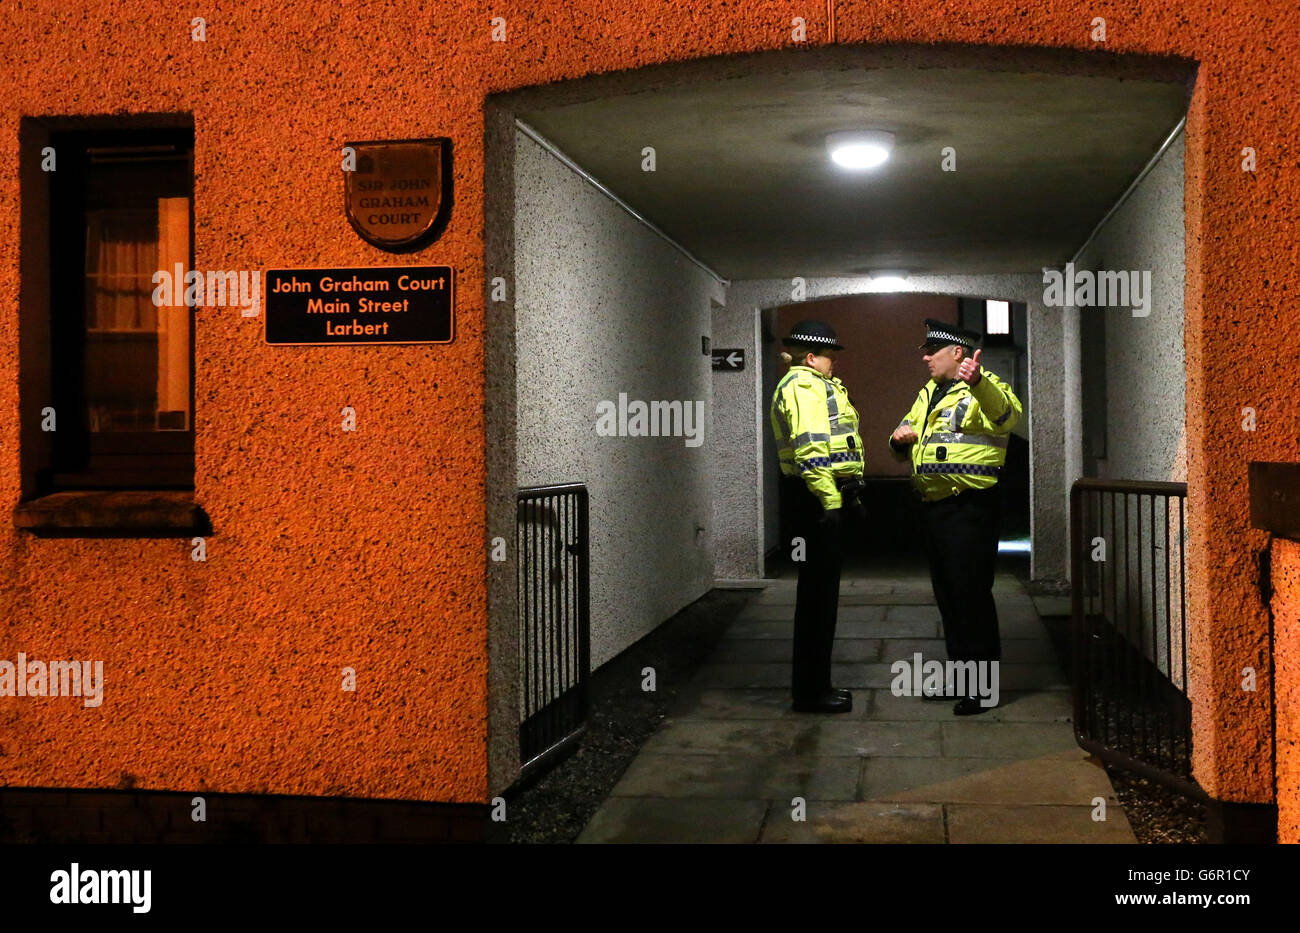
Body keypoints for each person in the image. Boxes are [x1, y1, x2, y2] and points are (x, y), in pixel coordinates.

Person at [888, 319, 1023, 715]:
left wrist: (979, 381)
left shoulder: (985, 386)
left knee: (971, 597)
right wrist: (897, 439)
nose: (926, 357)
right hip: (935, 507)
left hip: (970, 507)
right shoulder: (930, 391)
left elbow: (1007, 417)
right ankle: (962, 677)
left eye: (933, 351)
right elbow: (906, 430)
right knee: (949, 597)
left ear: (958, 353)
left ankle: (983, 689)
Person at [771, 320, 865, 713]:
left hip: (817, 499)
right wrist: (831, 504)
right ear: (812, 357)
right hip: (816, 501)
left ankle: (816, 686)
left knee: (819, 599)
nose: (834, 365)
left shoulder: (811, 384)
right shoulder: (805, 385)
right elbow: (811, 451)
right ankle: (811, 693)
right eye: (830, 357)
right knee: (816, 601)